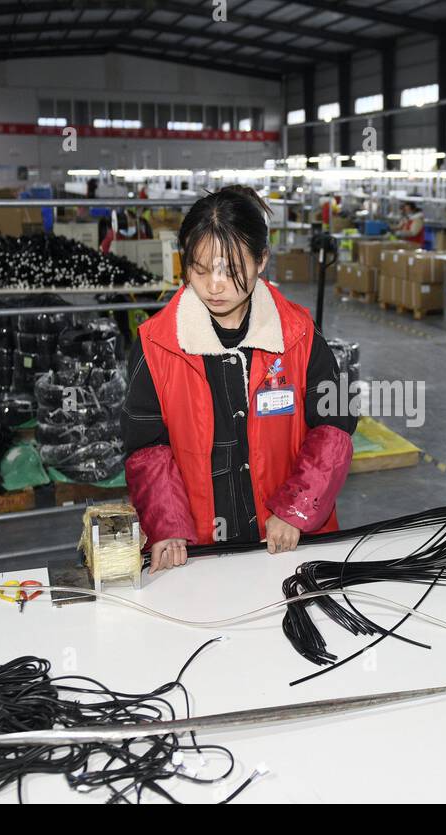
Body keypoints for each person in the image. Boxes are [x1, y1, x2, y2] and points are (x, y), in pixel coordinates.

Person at [121, 185, 358, 569]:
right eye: (199, 269)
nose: (214, 286)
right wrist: (167, 525)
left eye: (231, 271)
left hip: (289, 543)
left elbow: (334, 426)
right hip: (197, 551)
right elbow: (147, 448)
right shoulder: (156, 345)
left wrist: (295, 509)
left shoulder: (298, 334)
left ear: (261, 260)